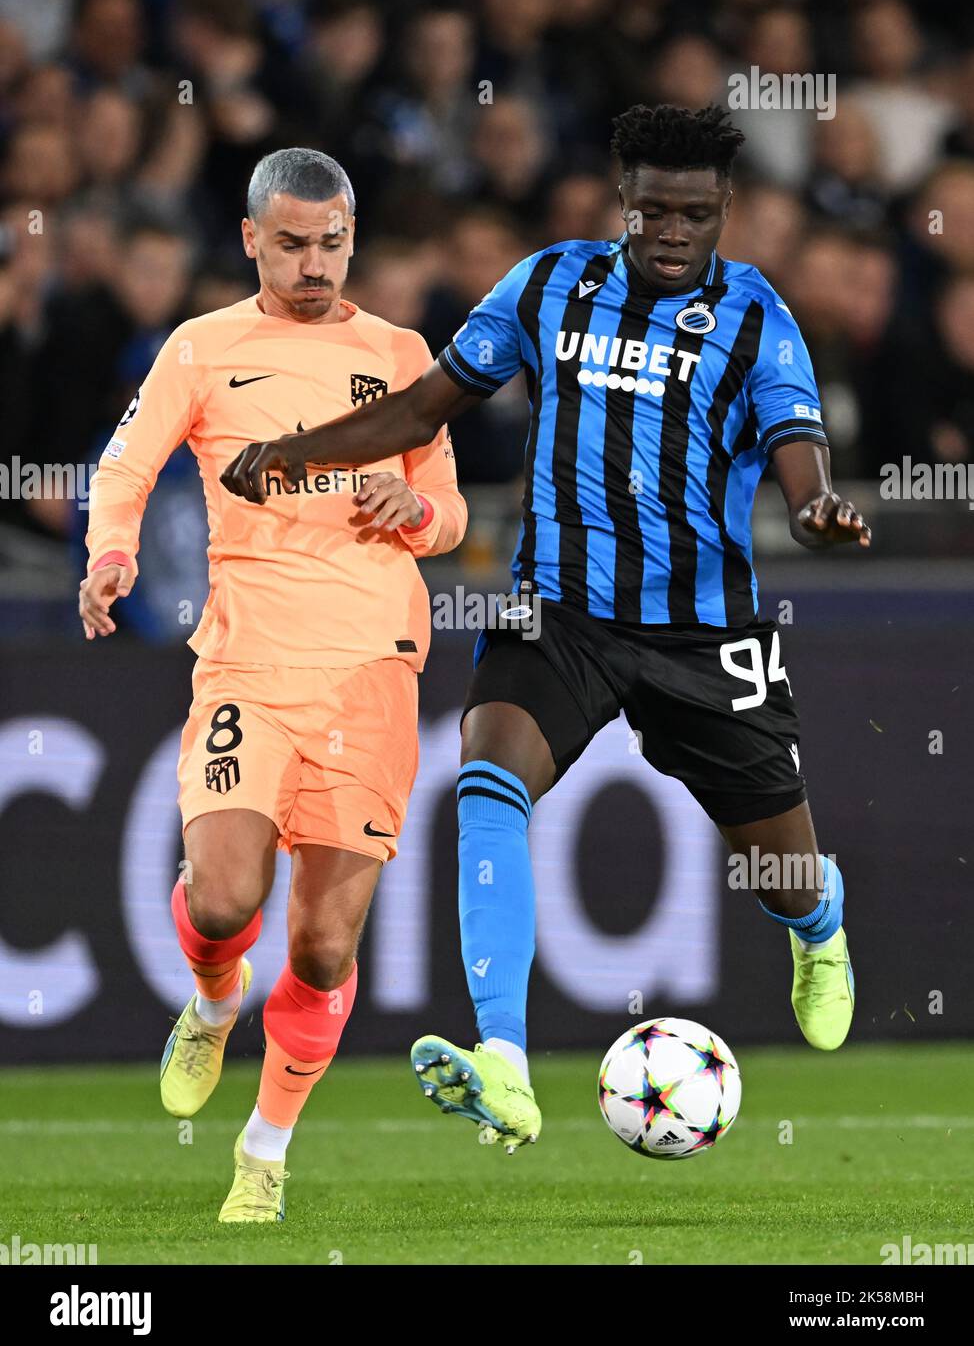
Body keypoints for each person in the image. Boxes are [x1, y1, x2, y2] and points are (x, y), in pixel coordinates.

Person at [221, 106, 870, 1156]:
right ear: (620, 201)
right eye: (651, 207)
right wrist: (298, 449)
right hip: (557, 609)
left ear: (723, 214)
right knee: (485, 774)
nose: (669, 230)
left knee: (781, 872)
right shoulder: (547, 284)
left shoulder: (755, 319)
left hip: (701, 635)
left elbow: (796, 444)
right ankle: (506, 1066)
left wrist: (812, 510)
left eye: (693, 214)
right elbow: (422, 405)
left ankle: (818, 922)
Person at [79, 147, 466, 1216]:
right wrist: (109, 551)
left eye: (331, 243)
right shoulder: (202, 348)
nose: (313, 264)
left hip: (372, 668)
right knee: (221, 898)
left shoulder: (399, 352)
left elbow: (451, 505)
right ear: (251, 237)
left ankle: (264, 1150)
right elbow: (125, 465)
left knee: (325, 942)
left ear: (352, 236)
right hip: (248, 660)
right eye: (291, 243)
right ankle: (210, 1002)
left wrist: (419, 515)